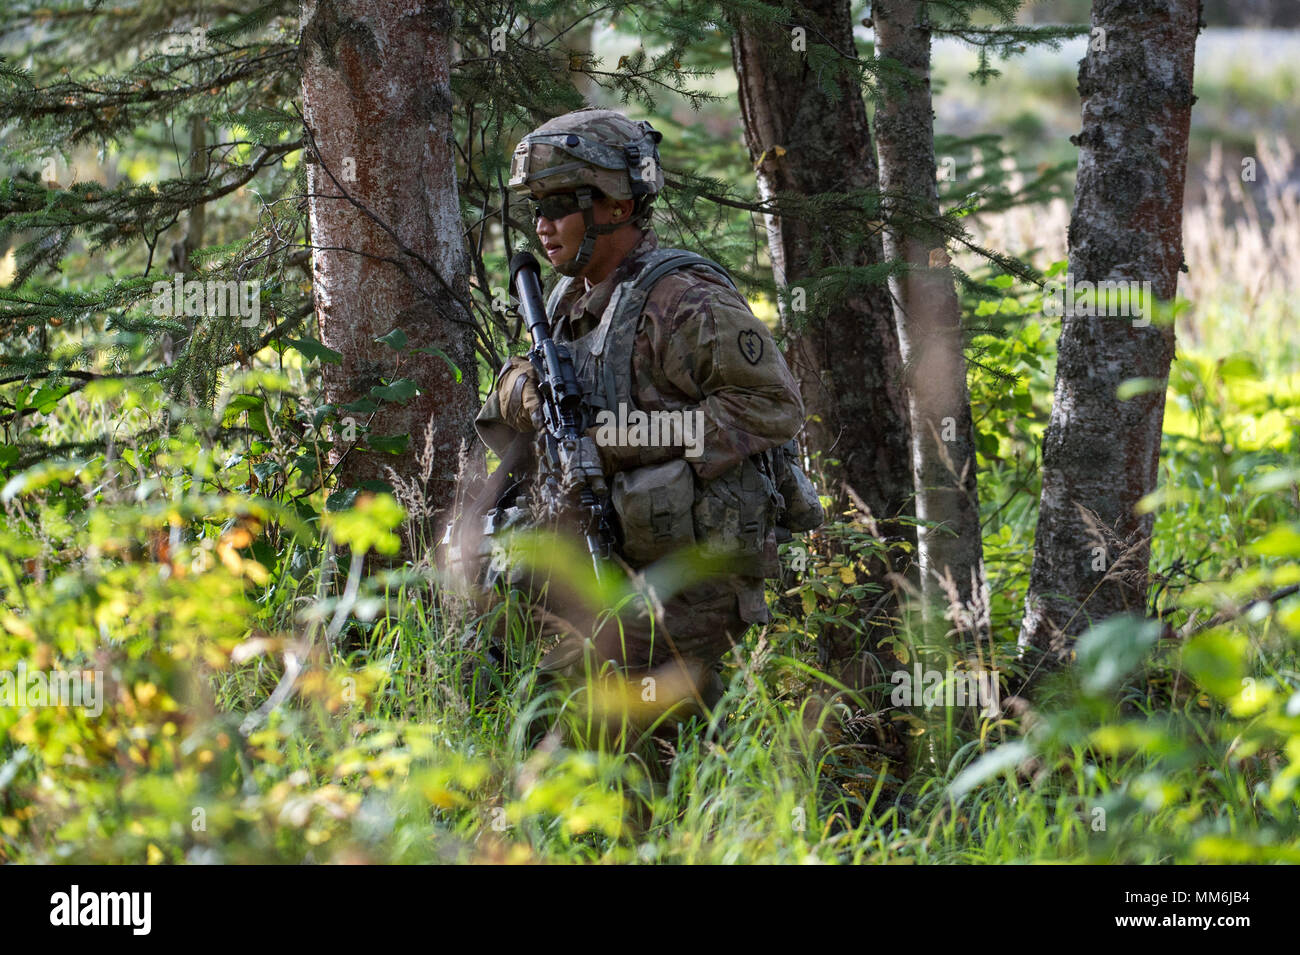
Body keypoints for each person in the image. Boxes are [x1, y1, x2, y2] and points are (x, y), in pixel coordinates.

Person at [471, 107, 808, 737]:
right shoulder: (571, 298)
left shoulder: (684, 299)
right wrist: (527, 392)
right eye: (535, 209)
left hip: (684, 596)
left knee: (672, 773)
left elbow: (770, 407)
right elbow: (512, 391)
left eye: (558, 205)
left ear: (616, 206)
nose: (542, 227)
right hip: (591, 584)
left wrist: (623, 441)